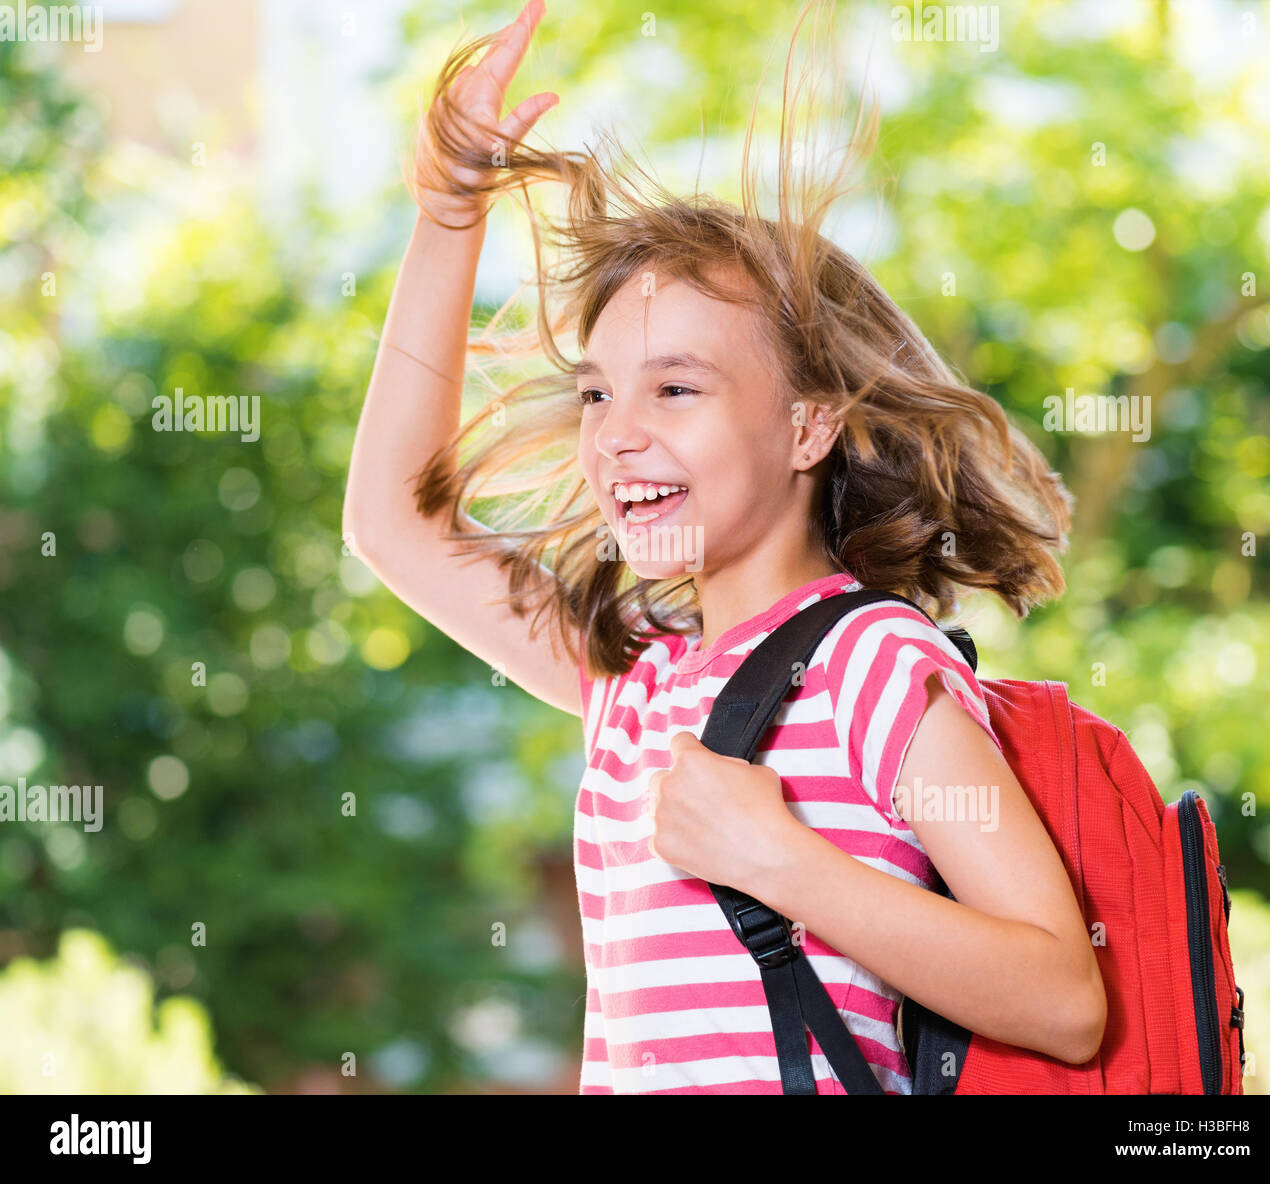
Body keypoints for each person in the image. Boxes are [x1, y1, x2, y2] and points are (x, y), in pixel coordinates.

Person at [343, 0, 1106, 1094]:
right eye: (599, 391)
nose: (617, 432)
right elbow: (392, 523)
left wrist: (778, 860)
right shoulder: (636, 676)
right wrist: (449, 212)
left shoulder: (871, 665)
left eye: (677, 388)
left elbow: (1063, 997)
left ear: (807, 424)